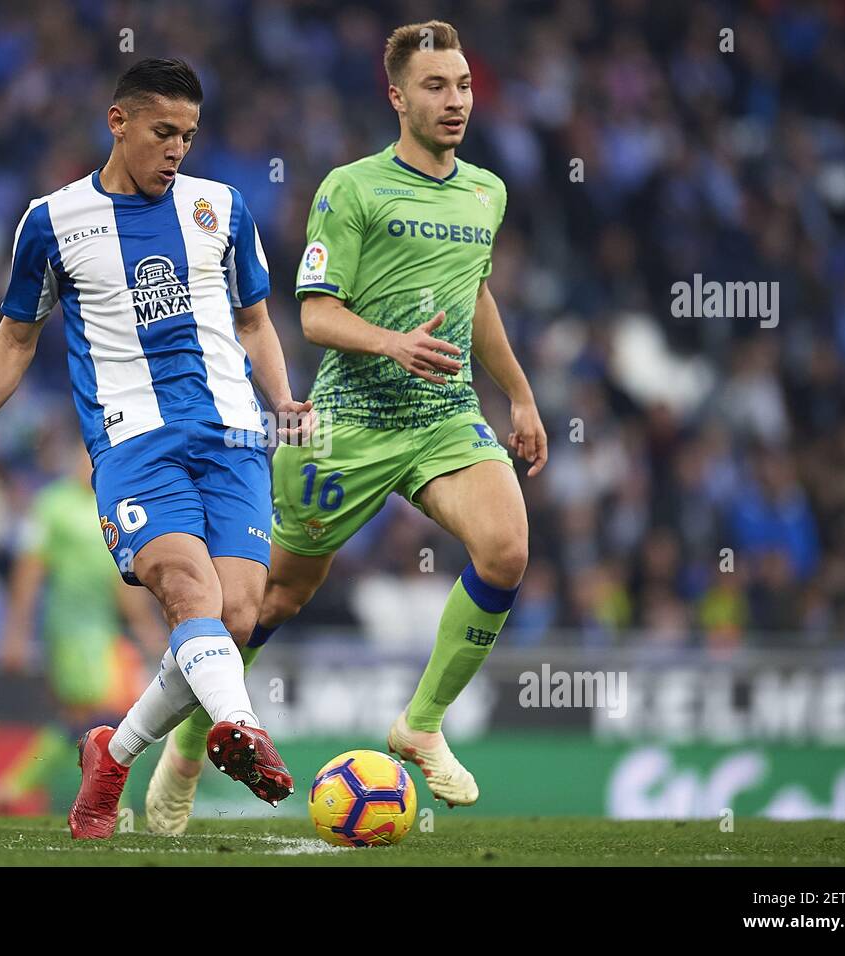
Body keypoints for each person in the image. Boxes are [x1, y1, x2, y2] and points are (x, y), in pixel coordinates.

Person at [145, 21, 547, 834]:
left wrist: (522, 396)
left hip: (443, 417)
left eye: (464, 84)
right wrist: (392, 343)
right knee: (259, 607)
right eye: (436, 86)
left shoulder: (486, 192)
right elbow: (318, 316)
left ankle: (421, 725)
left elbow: (476, 298)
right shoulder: (351, 188)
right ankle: (188, 748)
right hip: (344, 424)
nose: (456, 100)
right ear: (396, 97)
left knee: (506, 549)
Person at [0, 57, 315, 840]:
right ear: (117, 121)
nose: (176, 151)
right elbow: (16, 338)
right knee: (188, 597)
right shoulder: (52, 222)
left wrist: (282, 399)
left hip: (234, 440)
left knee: (233, 620)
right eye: (163, 132)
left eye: (189, 136)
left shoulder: (222, 207)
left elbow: (256, 320)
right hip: (136, 448)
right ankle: (241, 724)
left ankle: (112, 753)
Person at [0, 443, 164, 814]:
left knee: (92, 719)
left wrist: (149, 630)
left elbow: (120, 581)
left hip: (106, 633)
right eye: (89, 455)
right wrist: (14, 635)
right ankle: (108, 804)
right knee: (103, 715)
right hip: (70, 631)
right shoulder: (51, 505)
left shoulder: (112, 506)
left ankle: (12, 789)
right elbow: (29, 571)